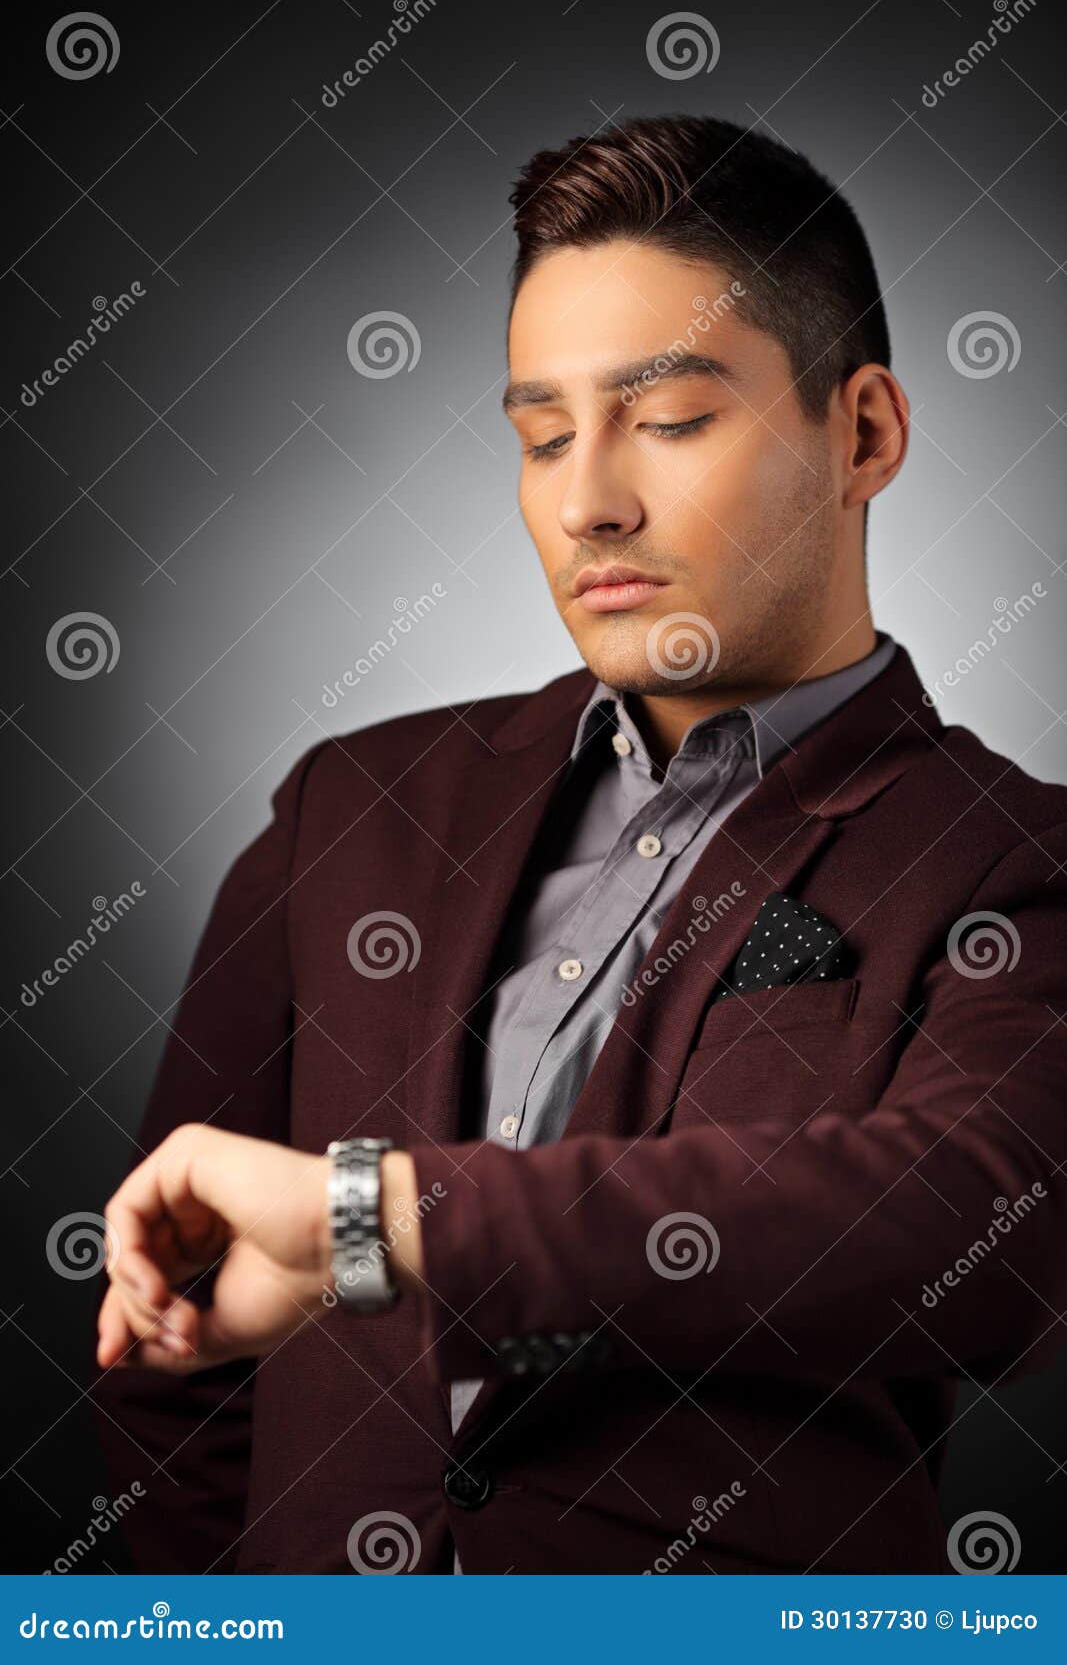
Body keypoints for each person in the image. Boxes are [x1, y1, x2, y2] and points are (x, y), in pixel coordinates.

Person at [92, 113, 1067, 1576]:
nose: (585, 498)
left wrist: (382, 1216)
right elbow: (177, 1346)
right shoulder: (351, 807)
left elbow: (979, 1235)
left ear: (862, 432)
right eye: (542, 433)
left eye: (668, 421)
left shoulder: (1010, 854)